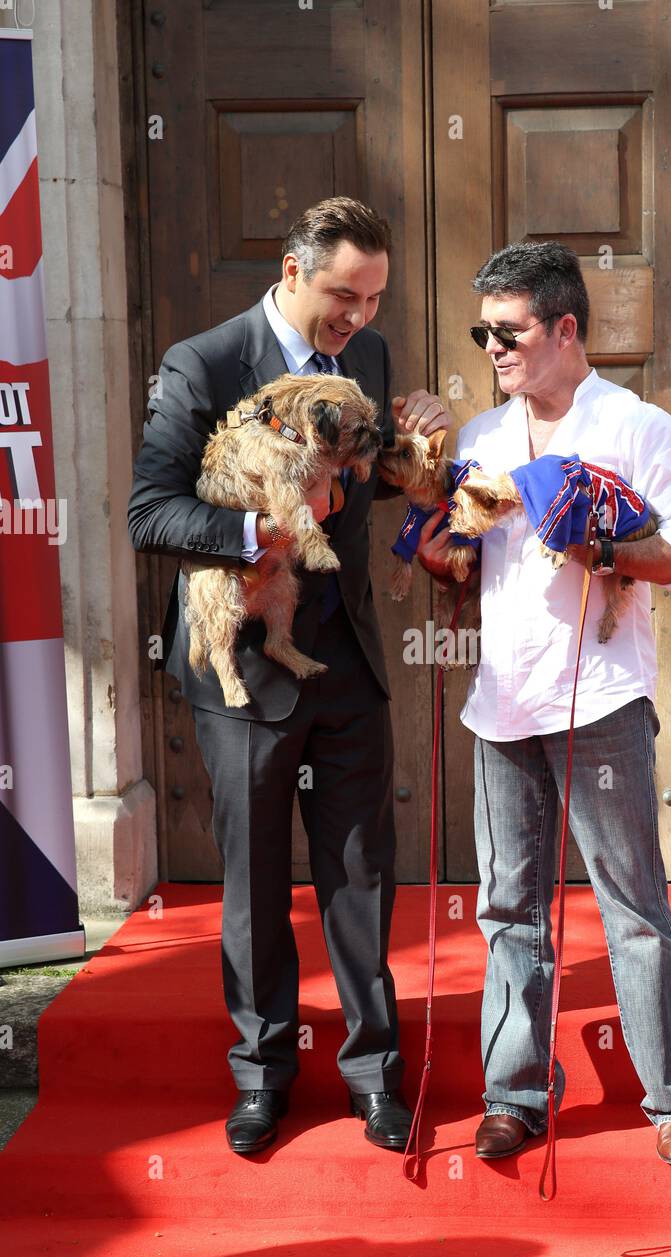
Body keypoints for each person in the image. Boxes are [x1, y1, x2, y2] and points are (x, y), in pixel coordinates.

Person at [128, 197, 451, 1156]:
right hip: (246, 669)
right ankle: (263, 1075)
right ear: (290, 272)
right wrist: (256, 534)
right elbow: (151, 512)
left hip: (343, 654)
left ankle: (374, 1078)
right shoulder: (206, 362)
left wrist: (415, 444)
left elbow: (370, 473)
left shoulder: (371, 358)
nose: (358, 317)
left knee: (362, 874)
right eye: (343, 296)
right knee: (256, 881)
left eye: (373, 299)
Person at [416, 241, 671, 1165]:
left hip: (600, 704)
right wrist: (444, 562)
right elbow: (465, 575)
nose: (492, 350)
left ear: (564, 329)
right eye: (482, 333)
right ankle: (512, 1092)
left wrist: (599, 545)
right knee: (507, 911)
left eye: (506, 332)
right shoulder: (480, 439)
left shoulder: (635, 427)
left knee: (629, 907)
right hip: (500, 708)